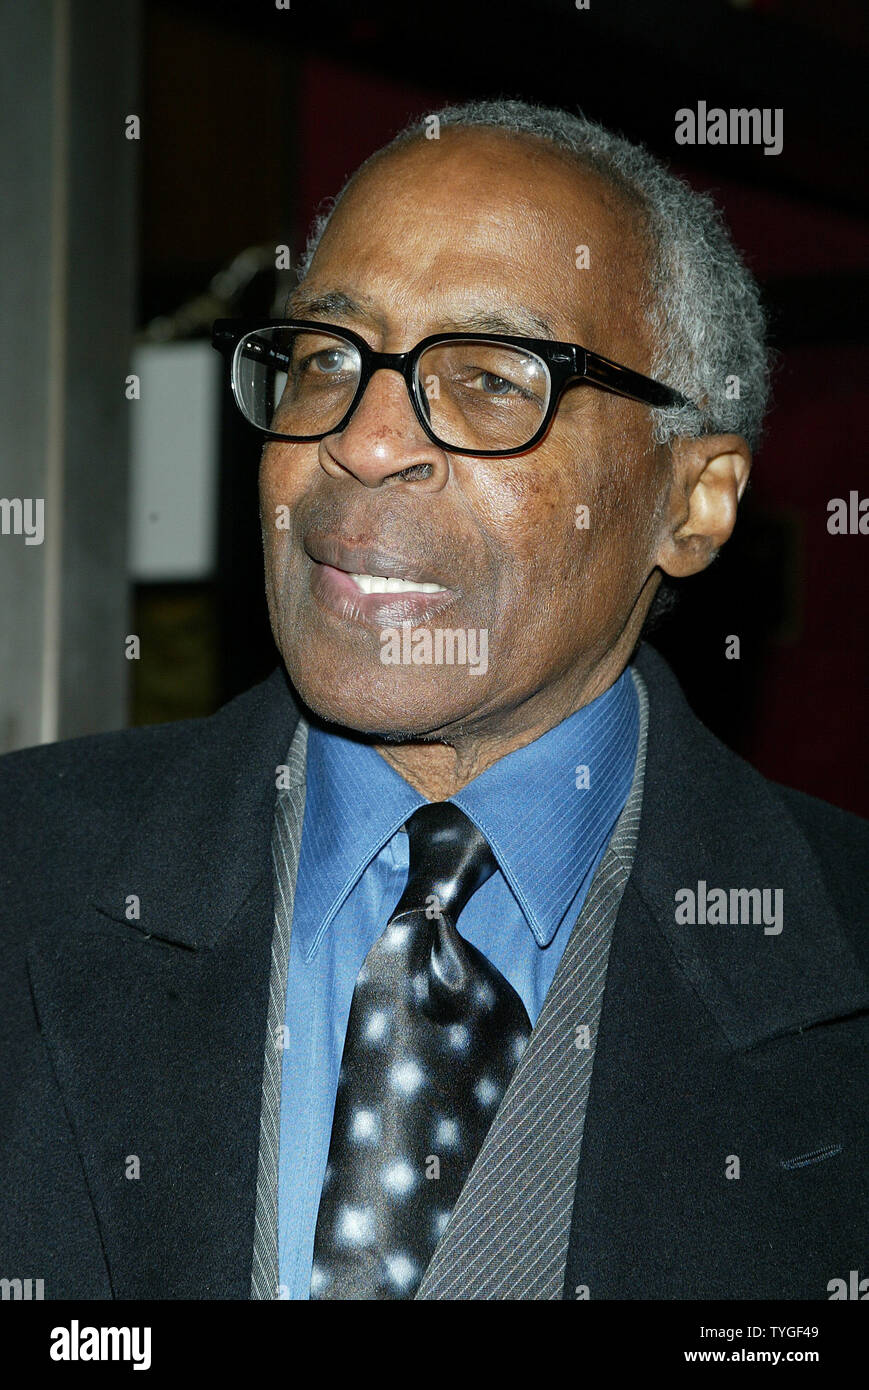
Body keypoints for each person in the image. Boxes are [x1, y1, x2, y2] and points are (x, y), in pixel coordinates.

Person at [1, 100, 866, 1302]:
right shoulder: (29, 869)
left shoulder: (832, 955)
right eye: (324, 357)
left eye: (490, 381)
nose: (362, 442)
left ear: (692, 499)